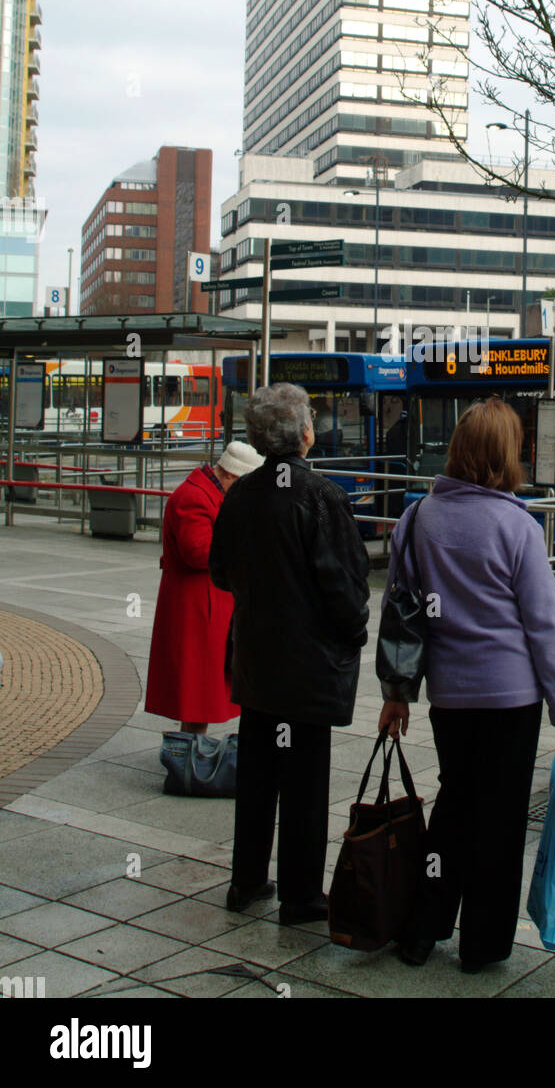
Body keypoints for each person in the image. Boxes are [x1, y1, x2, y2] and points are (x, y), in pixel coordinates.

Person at [378, 396, 555, 974]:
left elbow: (401, 615)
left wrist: (396, 696)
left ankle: (422, 929)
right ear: (507, 455)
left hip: (449, 697)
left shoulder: (417, 518)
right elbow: (546, 630)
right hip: (511, 700)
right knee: (499, 822)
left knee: (454, 808)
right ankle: (484, 946)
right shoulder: (517, 526)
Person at [209, 382, 370, 922]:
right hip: (307, 671)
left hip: (257, 664)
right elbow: (347, 590)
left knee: (256, 780)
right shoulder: (322, 497)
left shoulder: (239, 495)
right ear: (305, 434)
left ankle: (247, 881)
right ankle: (301, 894)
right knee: (304, 785)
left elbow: (219, 571)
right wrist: (352, 637)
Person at [145, 441, 263, 734]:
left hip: (205, 604)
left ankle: (191, 748)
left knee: (201, 688)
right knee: (198, 688)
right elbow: (199, 553)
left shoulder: (205, 493)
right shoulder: (194, 497)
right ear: (233, 476)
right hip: (197, 607)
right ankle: (189, 752)